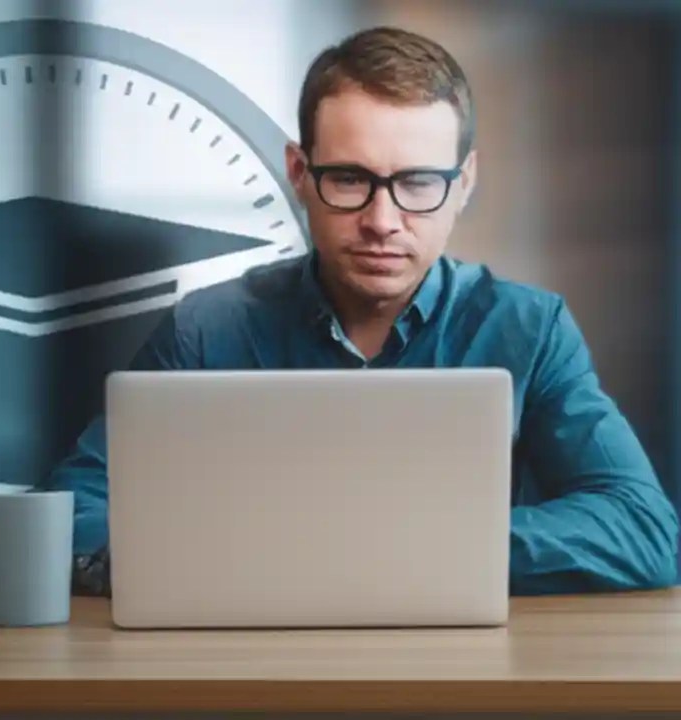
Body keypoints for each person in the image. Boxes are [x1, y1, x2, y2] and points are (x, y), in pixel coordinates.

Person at [40, 26, 679, 597]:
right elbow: (69, 511)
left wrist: (389, 550)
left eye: (418, 184)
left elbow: (644, 529)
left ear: (464, 184)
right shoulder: (208, 329)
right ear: (298, 171)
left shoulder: (529, 330)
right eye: (349, 179)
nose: (382, 221)